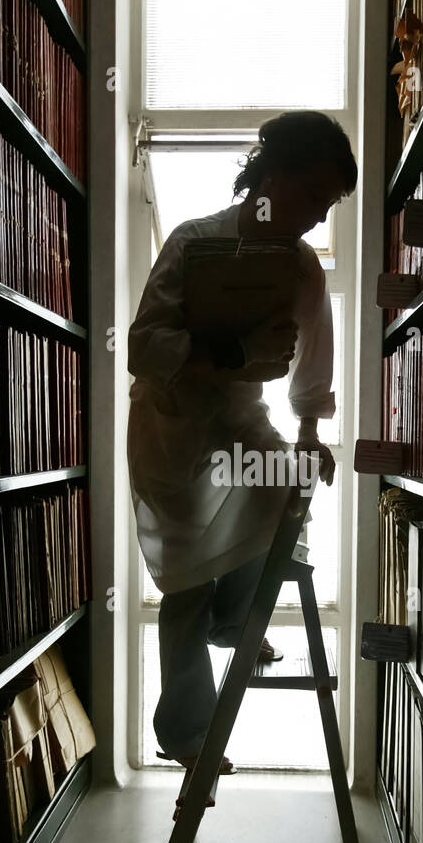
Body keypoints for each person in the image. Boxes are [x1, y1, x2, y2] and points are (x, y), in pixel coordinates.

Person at [127, 111, 357, 773]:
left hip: (239, 419)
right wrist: (234, 352)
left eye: (330, 203)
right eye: (312, 194)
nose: (317, 215)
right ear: (273, 175)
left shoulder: (301, 267)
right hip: (169, 427)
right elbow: (144, 349)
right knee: (186, 587)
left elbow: (315, 359)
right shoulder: (192, 242)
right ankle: (184, 732)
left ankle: (238, 623)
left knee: (284, 487)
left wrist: (312, 435)